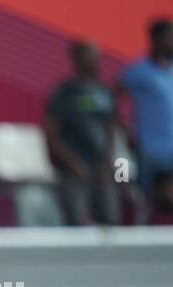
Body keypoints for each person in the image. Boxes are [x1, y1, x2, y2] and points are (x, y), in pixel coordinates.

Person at [45, 40, 119, 225]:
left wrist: (107, 162)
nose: (93, 61)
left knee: (110, 221)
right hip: (73, 170)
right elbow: (52, 134)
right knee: (76, 223)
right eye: (88, 57)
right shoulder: (64, 93)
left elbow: (110, 130)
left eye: (96, 57)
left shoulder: (105, 93)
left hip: (102, 169)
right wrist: (72, 163)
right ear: (76, 59)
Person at [117, 19, 173, 201]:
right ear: (157, 38)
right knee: (148, 201)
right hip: (150, 151)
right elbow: (111, 100)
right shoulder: (139, 71)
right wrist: (125, 130)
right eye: (170, 36)